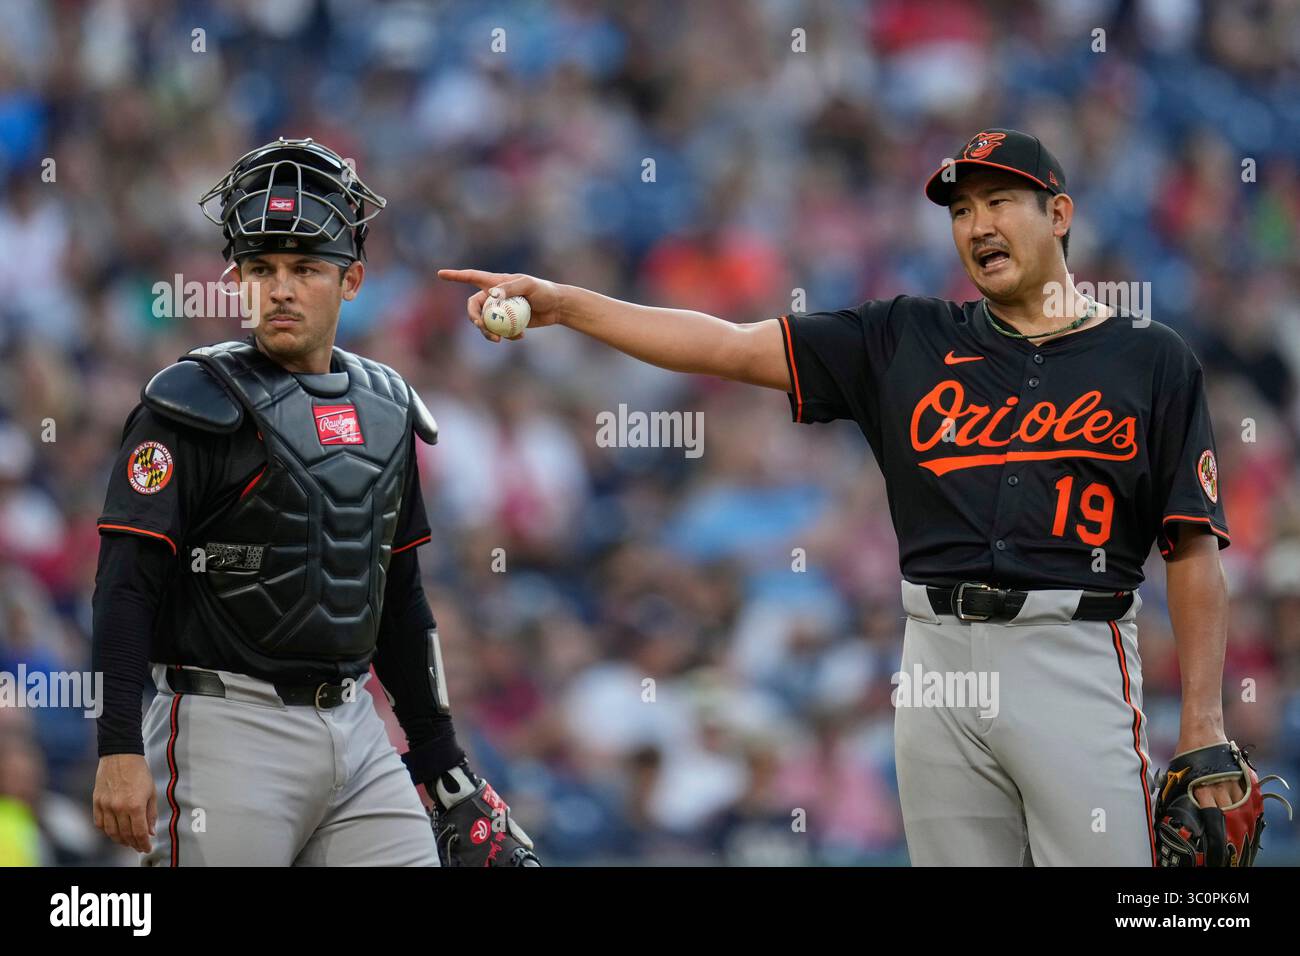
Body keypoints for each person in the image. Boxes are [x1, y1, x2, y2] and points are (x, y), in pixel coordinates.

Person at [440, 128, 1287, 866]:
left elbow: (1192, 547)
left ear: (1059, 215)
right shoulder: (904, 337)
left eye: (1000, 201)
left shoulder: (1151, 358)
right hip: (935, 659)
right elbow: (728, 345)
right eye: (961, 211)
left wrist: (1205, 721)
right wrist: (566, 305)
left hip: (1074, 652)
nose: (978, 225)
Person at [91, 137, 537, 866]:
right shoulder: (188, 405)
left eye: (305, 268)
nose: (281, 289)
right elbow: (125, 587)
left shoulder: (387, 407)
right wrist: (116, 748)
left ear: (352, 279)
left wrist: (441, 762)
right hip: (224, 729)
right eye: (260, 269)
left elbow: (397, 595)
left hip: (355, 728)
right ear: (236, 280)